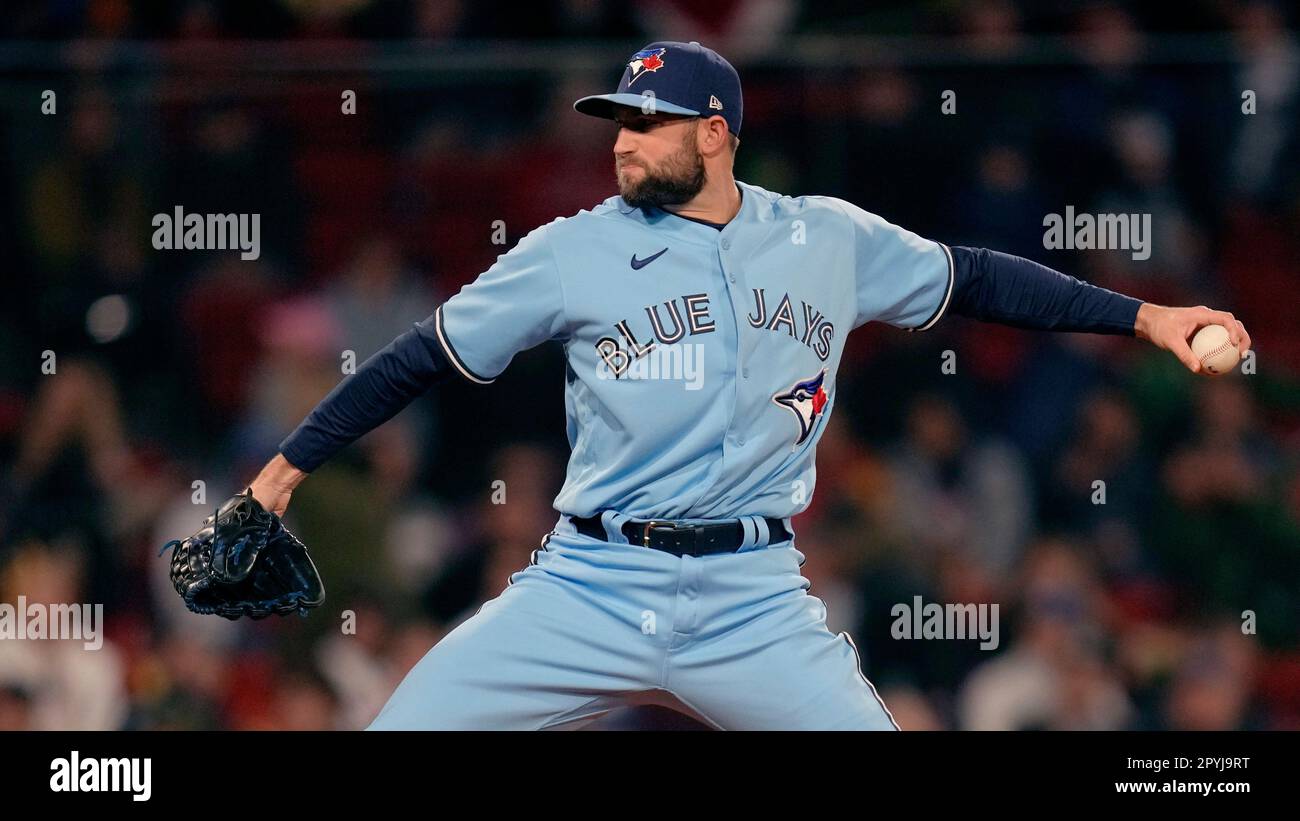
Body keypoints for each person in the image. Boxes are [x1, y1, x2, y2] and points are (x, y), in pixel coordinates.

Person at [244, 42, 1251, 730]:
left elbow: (975, 276)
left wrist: (1149, 317)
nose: (622, 140)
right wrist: (283, 472)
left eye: (648, 122)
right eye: (616, 122)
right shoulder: (569, 251)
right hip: (591, 582)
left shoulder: (825, 236)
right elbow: (423, 353)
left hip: (751, 598)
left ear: (716, 132)